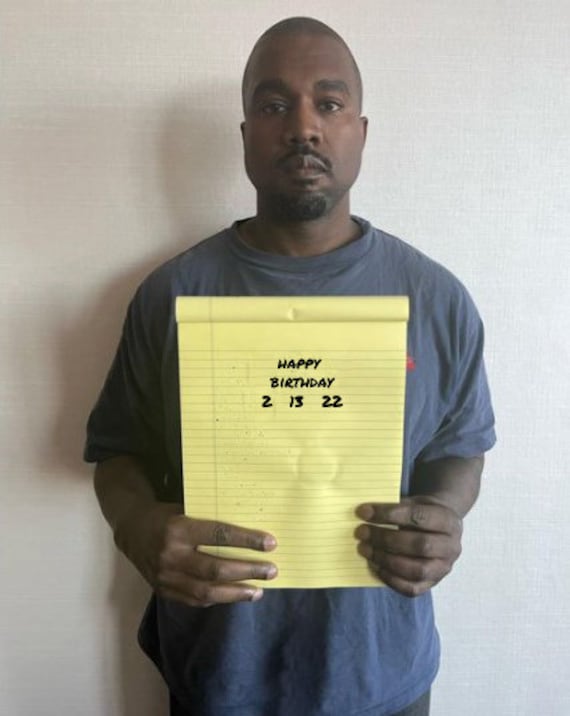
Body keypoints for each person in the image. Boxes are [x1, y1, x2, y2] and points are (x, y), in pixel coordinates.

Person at [85, 16, 496, 716]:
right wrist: (137, 527)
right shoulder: (172, 294)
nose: (303, 127)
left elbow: (461, 448)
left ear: (361, 131)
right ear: (246, 134)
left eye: (328, 104)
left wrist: (445, 516)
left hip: (381, 678)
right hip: (219, 676)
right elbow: (117, 451)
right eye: (275, 105)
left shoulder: (435, 299)